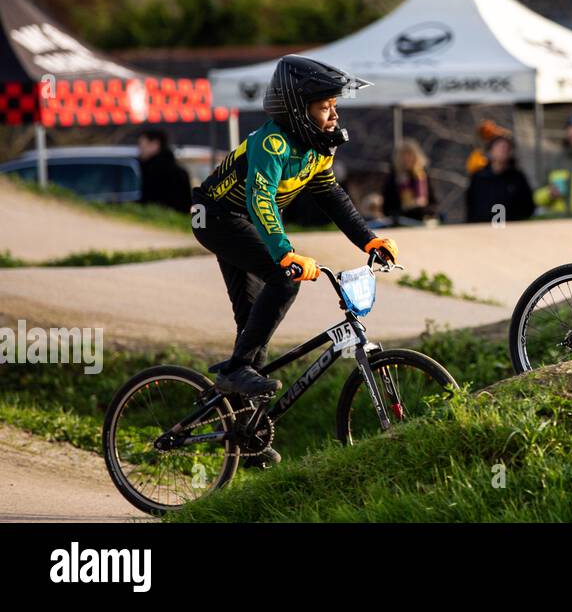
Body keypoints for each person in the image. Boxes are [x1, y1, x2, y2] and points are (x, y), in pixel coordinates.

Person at [191, 56, 398, 461]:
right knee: (284, 280)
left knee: (253, 326)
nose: (334, 113)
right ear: (297, 110)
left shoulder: (318, 149)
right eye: (325, 106)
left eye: (335, 104)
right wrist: (285, 253)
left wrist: (369, 241)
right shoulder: (273, 143)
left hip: (242, 222)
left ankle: (244, 435)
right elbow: (260, 198)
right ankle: (236, 372)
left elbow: (332, 197)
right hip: (216, 218)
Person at [465, 135, 535, 223]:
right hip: (482, 229)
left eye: (506, 148)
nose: (502, 150)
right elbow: (471, 206)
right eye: (499, 147)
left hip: (511, 229)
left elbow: (528, 206)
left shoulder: (517, 178)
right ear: (491, 151)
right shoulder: (479, 177)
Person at [136, 128, 192, 213]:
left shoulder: (145, 171)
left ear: (155, 144)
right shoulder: (180, 172)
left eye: (142, 146)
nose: (140, 150)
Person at [383, 138, 438, 223]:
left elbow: (432, 201)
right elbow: (388, 206)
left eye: (410, 154)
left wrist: (425, 210)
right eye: (404, 155)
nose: (407, 158)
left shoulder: (422, 175)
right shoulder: (393, 177)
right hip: (401, 218)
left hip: (422, 216)